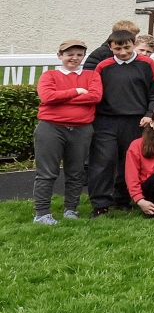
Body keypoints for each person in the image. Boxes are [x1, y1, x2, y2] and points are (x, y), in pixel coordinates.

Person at [86, 30, 154, 217]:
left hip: (136, 121)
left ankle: (123, 199)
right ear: (110, 48)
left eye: (127, 47)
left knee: (128, 163)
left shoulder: (147, 64)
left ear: (134, 44)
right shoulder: (103, 66)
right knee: (102, 162)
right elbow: (95, 93)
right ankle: (100, 203)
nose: (123, 52)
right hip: (106, 121)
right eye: (117, 49)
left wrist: (150, 114)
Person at [32, 38, 99, 225]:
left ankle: (71, 209)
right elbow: (47, 97)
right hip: (51, 128)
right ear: (60, 55)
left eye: (79, 55)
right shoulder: (49, 76)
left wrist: (61, 98)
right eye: (70, 54)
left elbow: (95, 97)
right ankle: (42, 213)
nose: (74, 58)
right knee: (46, 173)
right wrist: (77, 91)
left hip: (81, 129)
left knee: (76, 172)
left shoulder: (92, 76)